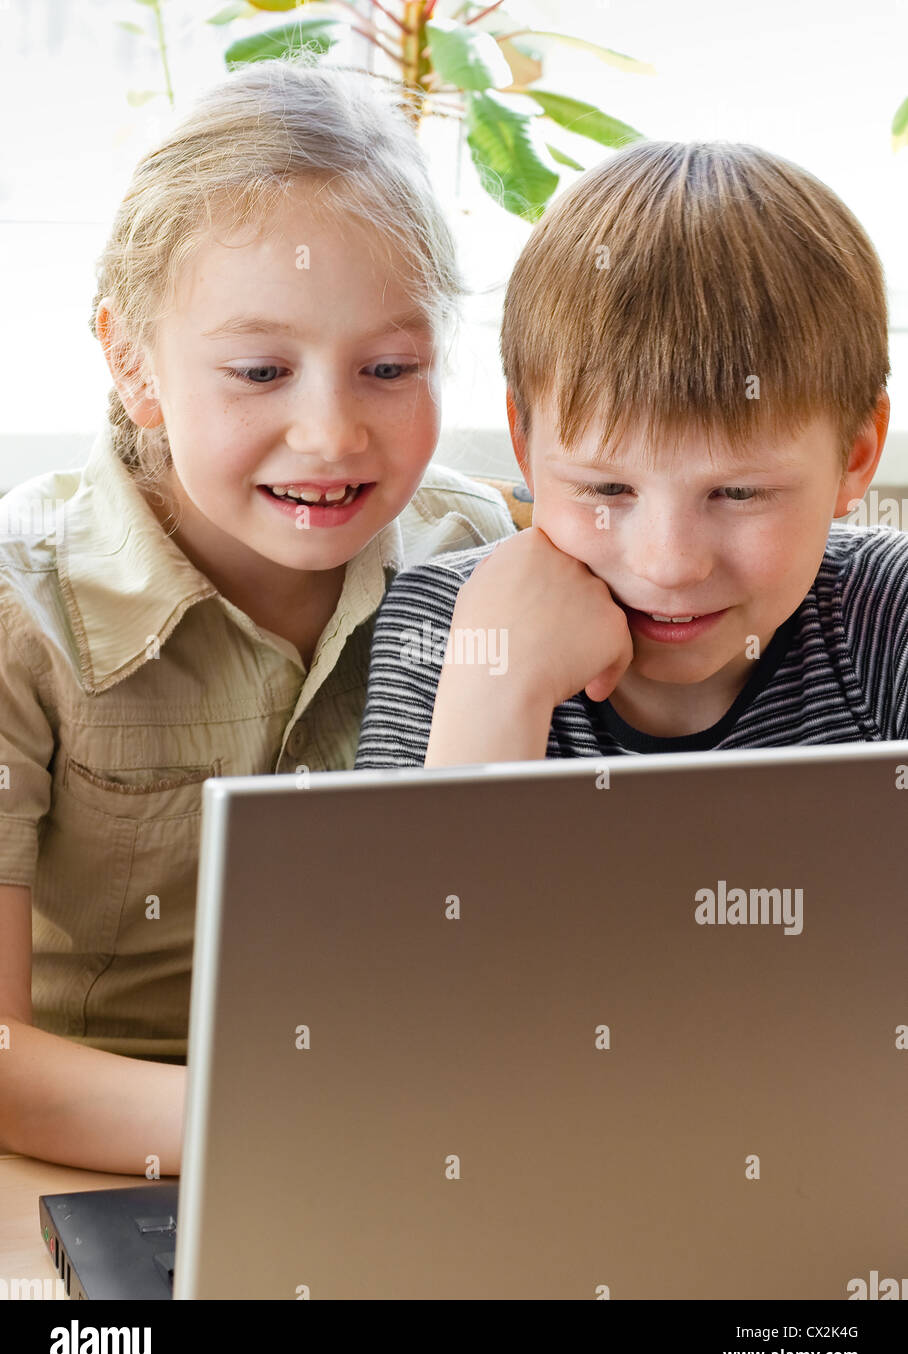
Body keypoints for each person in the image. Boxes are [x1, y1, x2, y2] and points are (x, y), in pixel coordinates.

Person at [0, 58, 514, 1173]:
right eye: (258, 369)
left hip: (417, 1138)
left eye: (389, 366)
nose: (330, 433)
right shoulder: (19, 609)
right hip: (98, 1163)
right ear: (133, 362)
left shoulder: (484, 559)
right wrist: (299, 1123)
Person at [355, 139, 906, 772]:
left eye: (739, 493)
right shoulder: (448, 628)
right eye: (607, 491)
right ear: (523, 444)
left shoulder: (888, 617)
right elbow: (419, 877)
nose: (669, 565)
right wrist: (500, 696)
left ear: (857, 456)